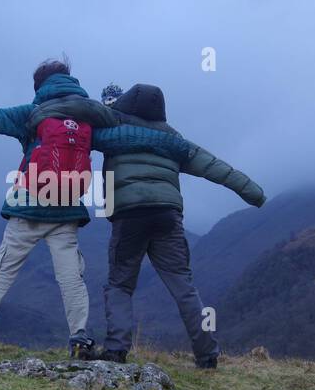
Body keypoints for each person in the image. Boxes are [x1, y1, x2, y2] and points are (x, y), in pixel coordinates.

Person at [0, 59, 193, 358]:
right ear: (70, 81)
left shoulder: (31, 114)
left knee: (1, 272)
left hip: (26, 207)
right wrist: (172, 143)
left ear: (39, 86)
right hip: (66, 212)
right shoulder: (88, 117)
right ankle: (79, 337)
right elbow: (125, 137)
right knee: (71, 278)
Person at [96, 83, 265, 368]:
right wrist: (254, 193)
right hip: (167, 215)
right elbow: (216, 167)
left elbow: (73, 133)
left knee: (120, 284)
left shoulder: (113, 134)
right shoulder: (174, 140)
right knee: (183, 287)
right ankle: (208, 355)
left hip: (129, 215)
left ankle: (116, 350)